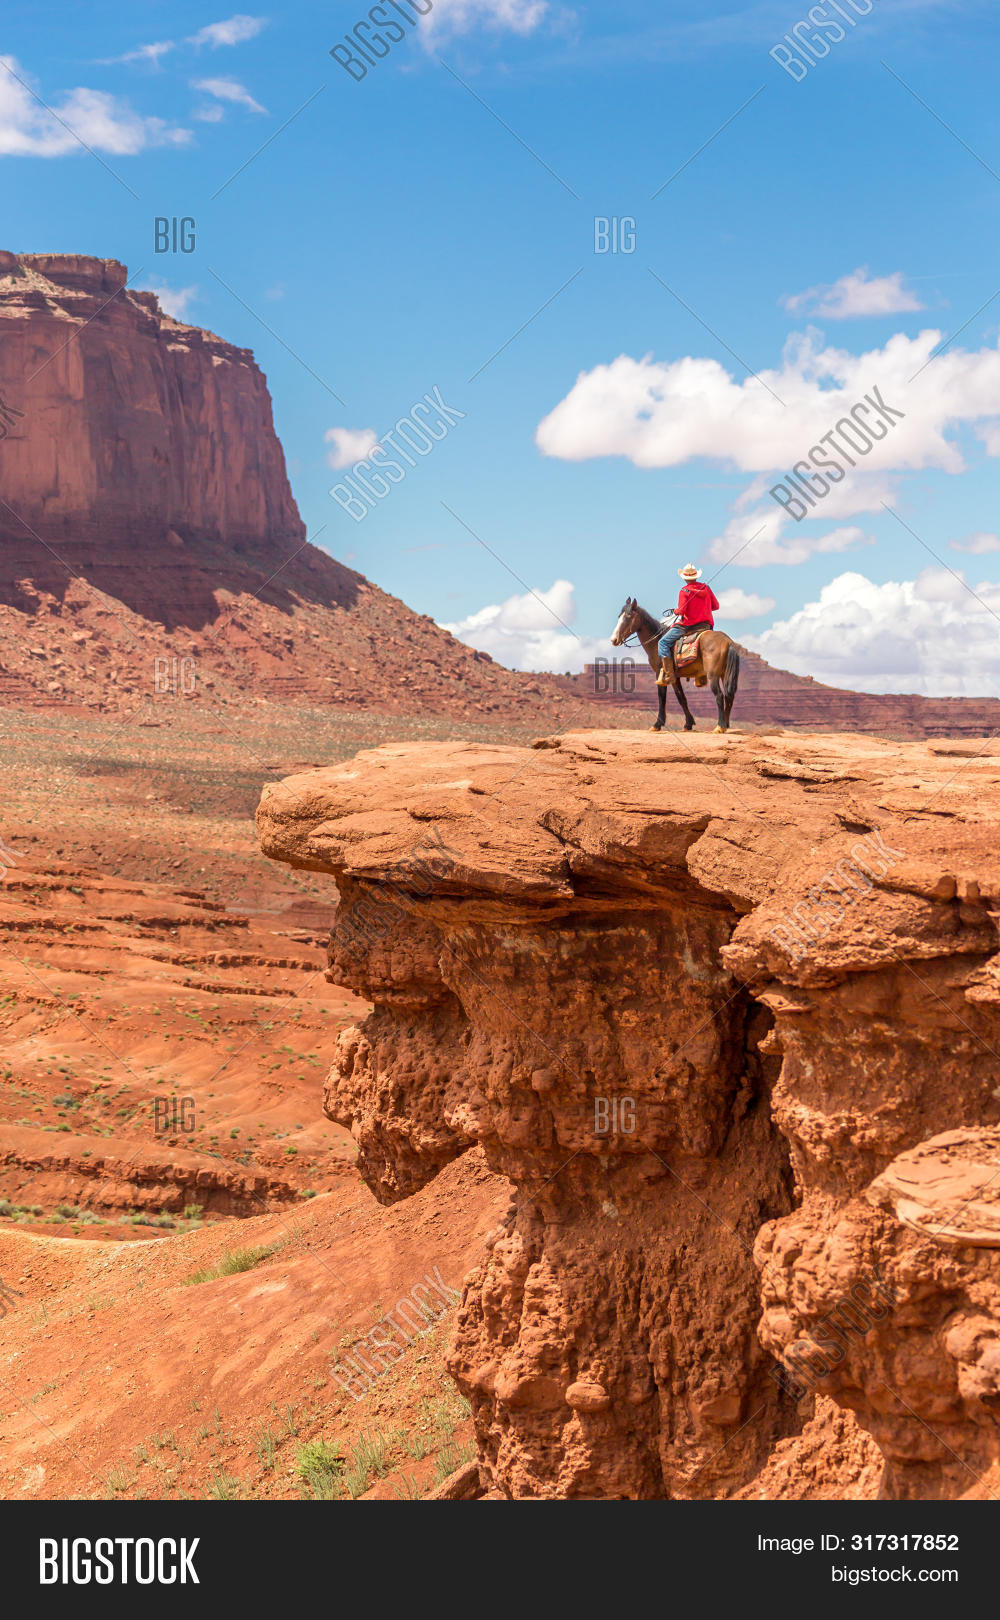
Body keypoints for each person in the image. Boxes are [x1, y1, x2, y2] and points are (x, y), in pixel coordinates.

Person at [657, 564, 719, 685]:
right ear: (696, 576)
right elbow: (716, 606)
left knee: (663, 642)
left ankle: (669, 675)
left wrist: (675, 611)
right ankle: (701, 676)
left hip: (688, 626)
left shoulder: (684, 591)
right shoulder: (706, 588)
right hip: (706, 626)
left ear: (684, 578)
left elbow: (682, 611)